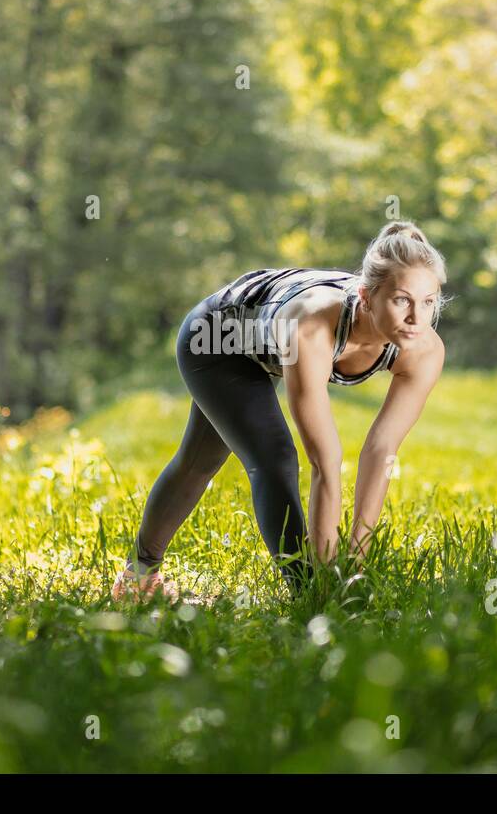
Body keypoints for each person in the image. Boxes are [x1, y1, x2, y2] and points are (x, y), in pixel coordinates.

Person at [112, 221, 448, 603]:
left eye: (428, 302)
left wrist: (356, 566)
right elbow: (325, 464)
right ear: (367, 297)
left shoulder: (424, 349)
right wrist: (326, 588)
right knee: (272, 457)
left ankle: (136, 579)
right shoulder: (312, 329)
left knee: (197, 461)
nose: (416, 318)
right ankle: (307, 594)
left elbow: (381, 451)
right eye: (401, 300)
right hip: (217, 339)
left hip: (267, 340)